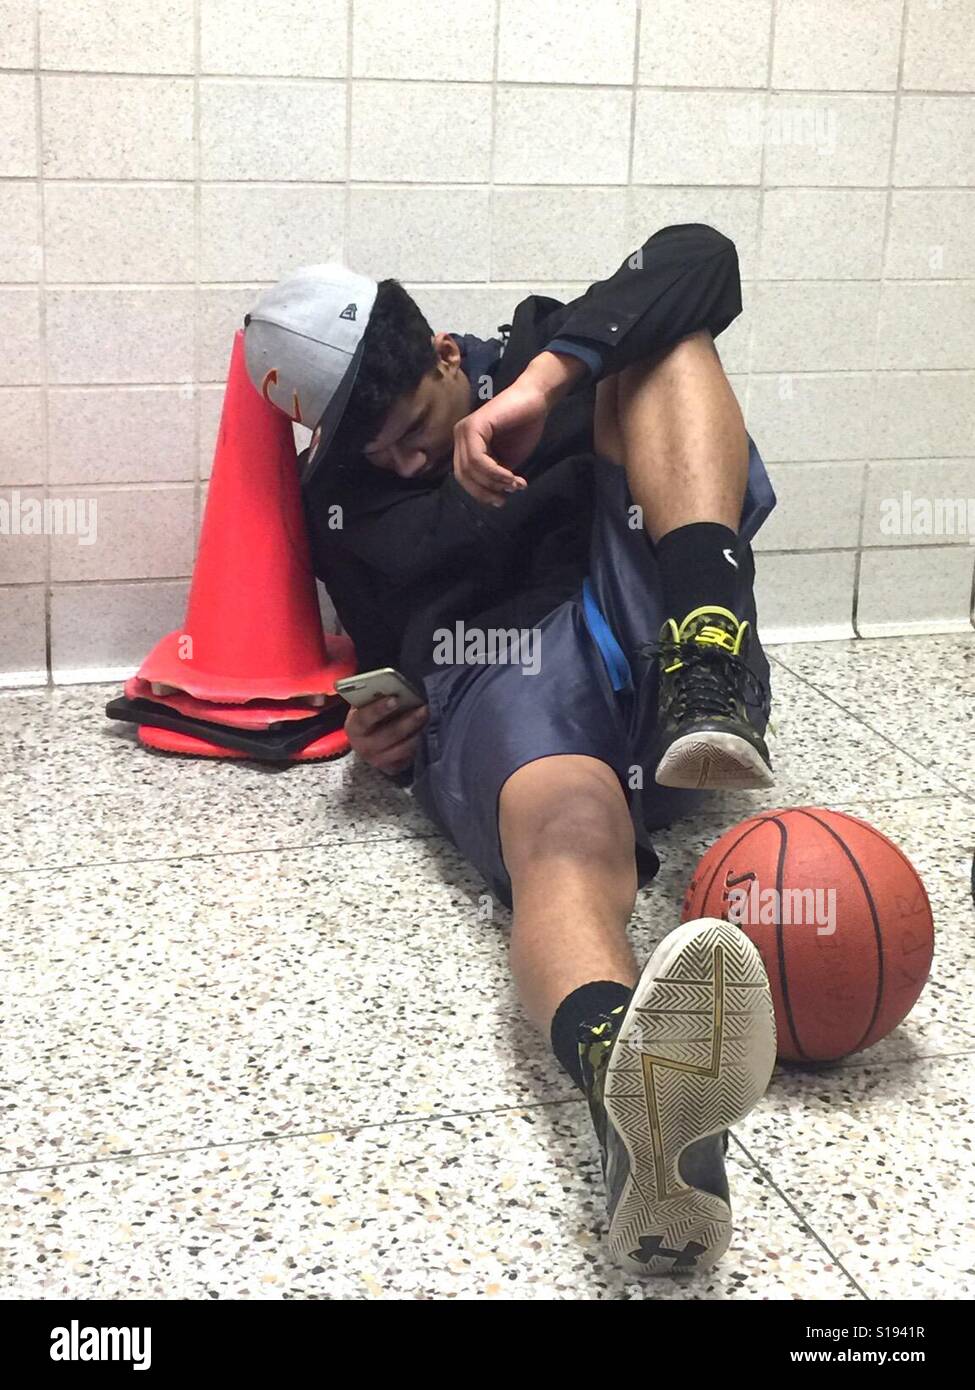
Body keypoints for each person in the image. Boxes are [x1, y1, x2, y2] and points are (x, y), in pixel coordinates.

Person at [243, 225, 778, 1275]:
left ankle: (706, 653)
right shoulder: (340, 498)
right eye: (377, 456)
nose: (405, 462)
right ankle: (626, 1083)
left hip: (646, 619)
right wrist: (376, 734)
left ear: (448, 355)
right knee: (571, 839)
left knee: (666, 344)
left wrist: (544, 383)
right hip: (502, 682)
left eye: (411, 429)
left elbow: (700, 253)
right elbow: (391, 650)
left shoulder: (541, 349)